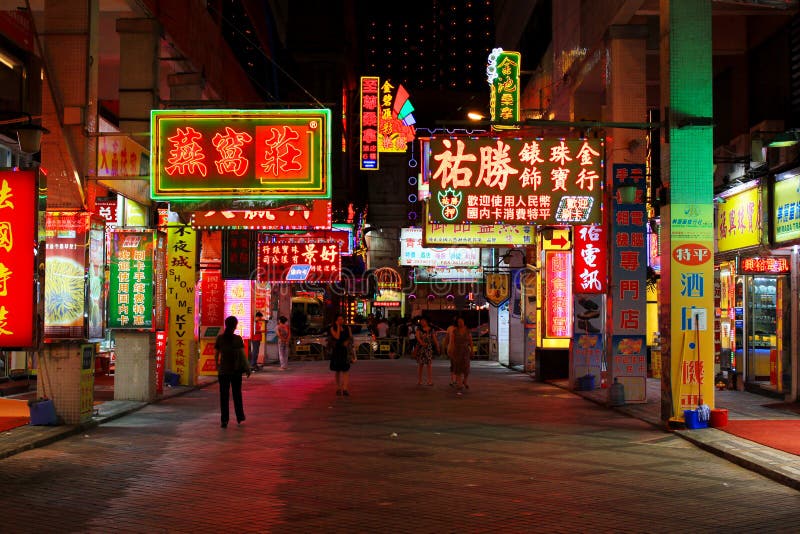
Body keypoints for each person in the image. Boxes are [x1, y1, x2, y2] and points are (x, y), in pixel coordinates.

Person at [214, 315, 250, 428]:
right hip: (236, 371)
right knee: (237, 394)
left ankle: (224, 420)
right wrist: (247, 368)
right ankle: (239, 417)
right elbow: (242, 356)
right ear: (235, 326)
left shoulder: (220, 338)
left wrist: (217, 366)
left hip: (223, 371)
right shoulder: (237, 339)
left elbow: (216, 355)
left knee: (224, 396)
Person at [328, 314, 354, 396]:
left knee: (345, 370)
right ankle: (338, 388)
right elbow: (337, 337)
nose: (340, 321)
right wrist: (338, 327)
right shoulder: (332, 328)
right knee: (338, 370)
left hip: (345, 350)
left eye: (342, 319)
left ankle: (345, 388)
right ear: (336, 321)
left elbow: (351, 338)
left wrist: (348, 341)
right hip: (337, 350)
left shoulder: (347, 328)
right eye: (339, 319)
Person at [449, 316, 474, 396]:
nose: (460, 323)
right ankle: (459, 385)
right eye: (458, 322)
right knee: (458, 367)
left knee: (466, 367)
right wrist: (451, 350)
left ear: (464, 322)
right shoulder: (454, 331)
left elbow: (471, 341)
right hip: (457, 351)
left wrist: (472, 350)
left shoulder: (468, 331)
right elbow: (452, 342)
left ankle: (465, 380)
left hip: (466, 351)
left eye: (461, 321)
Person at [415, 316, 439, 386]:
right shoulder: (419, 329)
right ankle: (419, 380)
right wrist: (422, 343)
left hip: (428, 348)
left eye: (424, 321)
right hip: (421, 348)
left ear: (427, 321)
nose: (422, 322)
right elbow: (418, 337)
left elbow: (434, 338)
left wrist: (437, 346)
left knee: (429, 365)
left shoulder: (431, 330)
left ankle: (429, 381)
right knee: (421, 365)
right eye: (421, 321)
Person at [445, 316, 458, 387]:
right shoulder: (450, 328)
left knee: (457, 365)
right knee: (453, 364)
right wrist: (445, 347)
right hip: (452, 348)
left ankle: (456, 380)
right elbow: (447, 339)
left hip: (459, 349)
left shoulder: (460, 329)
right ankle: (453, 380)